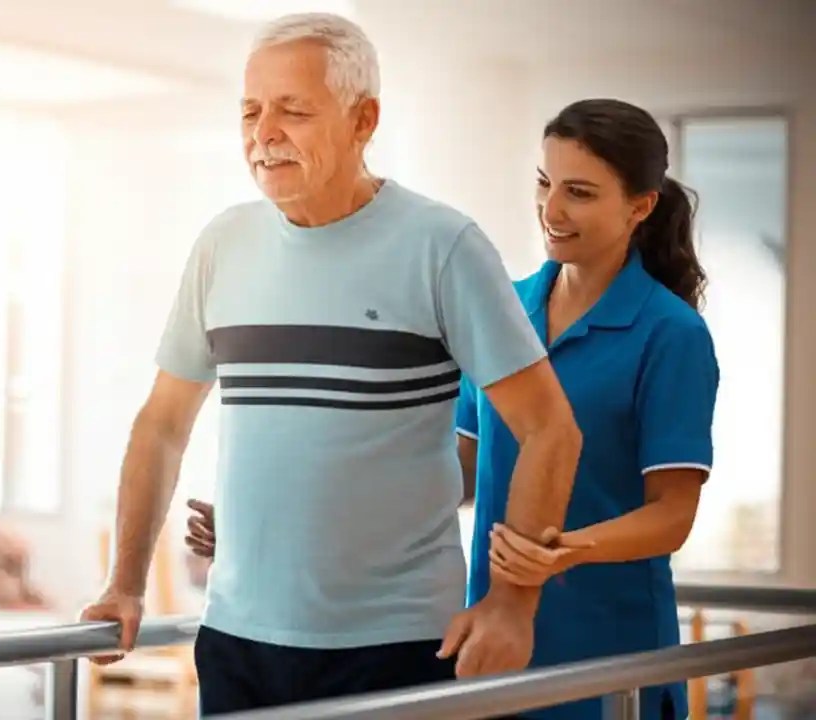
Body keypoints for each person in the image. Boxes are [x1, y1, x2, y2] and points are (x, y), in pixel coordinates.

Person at [80, 12, 583, 715]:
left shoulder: (443, 246)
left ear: (363, 119)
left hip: (398, 645)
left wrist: (510, 605)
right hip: (237, 643)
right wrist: (125, 583)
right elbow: (163, 424)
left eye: (293, 110)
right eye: (251, 112)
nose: (264, 134)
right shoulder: (222, 246)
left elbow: (550, 430)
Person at [187, 97, 720, 720]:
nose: (551, 210)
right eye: (544, 183)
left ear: (640, 205)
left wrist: (565, 551)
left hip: (609, 650)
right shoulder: (506, 306)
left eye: (579, 192)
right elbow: (455, 470)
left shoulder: (670, 333)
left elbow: (672, 516)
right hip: (485, 642)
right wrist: (280, 526)